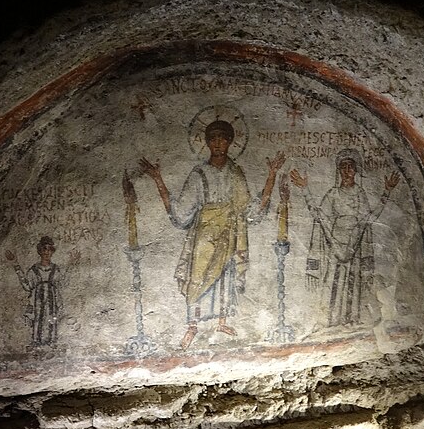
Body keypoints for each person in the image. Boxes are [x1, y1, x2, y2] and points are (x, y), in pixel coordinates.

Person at [139, 120, 286, 349]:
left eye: (223, 138)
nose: (218, 143)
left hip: (229, 233)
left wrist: (271, 176)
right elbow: (181, 210)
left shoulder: (236, 173)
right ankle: (192, 326)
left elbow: (248, 209)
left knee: (225, 277)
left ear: (230, 141)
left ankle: (221, 321)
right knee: (198, 277)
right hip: (205, 235)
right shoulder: (199, 174)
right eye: (213, 138)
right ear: (207, 143)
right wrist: (158, 179)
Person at [291, 149, 400, 327]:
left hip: (354, 244)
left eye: (351, 167)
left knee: (352, 283)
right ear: (339, 170)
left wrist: (386, 192)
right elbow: (319, 215)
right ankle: (331, 321)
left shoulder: (359, 194)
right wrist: (305, 190)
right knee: (333, 283)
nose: (347, 170)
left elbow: (369, 219)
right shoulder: (333, 194)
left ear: (356, 170)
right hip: (335, 243)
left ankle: (351, 320)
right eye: (343, 167)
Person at [5, 236, 77, 347]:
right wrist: (15, 264)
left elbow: (63, 283)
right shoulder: (34, 269)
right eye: (44, 249)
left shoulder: (55, 269)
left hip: (52, 297)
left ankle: (52, 341)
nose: (46, 252)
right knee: (38, 318)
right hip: (37, 298)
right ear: (39, 251)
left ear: (52, 251)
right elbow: (27, 286)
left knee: (52, 316)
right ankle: (36, 341)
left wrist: (71, 264)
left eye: (49, 249)